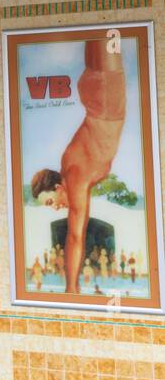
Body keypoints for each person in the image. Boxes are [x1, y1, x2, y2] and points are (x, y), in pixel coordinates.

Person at [30, 37, 127, 294]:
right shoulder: (67, 163)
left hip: (107, 100)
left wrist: (70, 289)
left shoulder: (75, 177)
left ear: (59, 186)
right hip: (95, 97)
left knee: (103, 26)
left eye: (51, 201)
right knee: (97, 28)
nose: (56, 208)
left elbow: (75, 237)